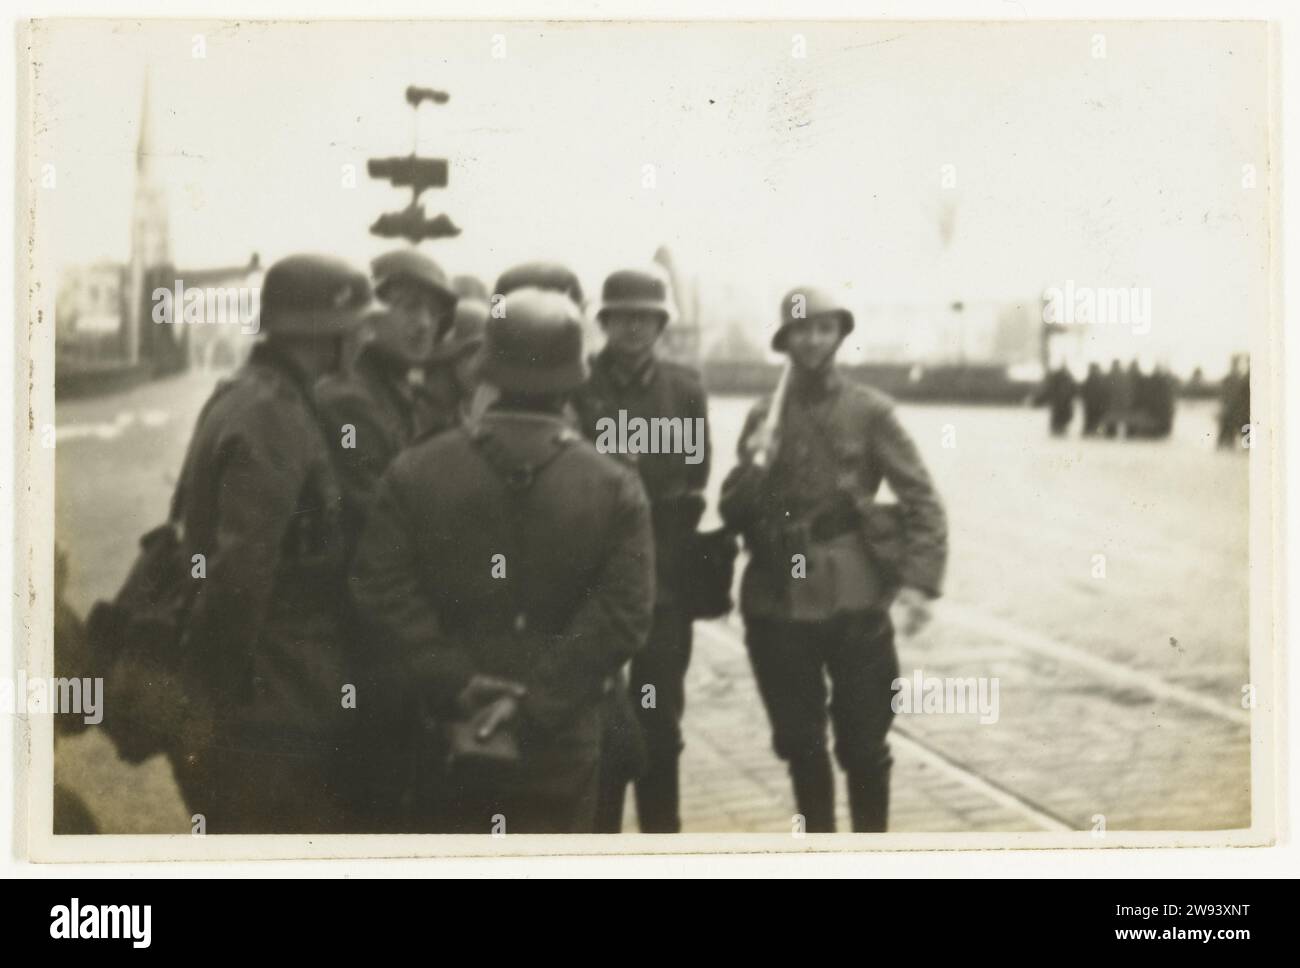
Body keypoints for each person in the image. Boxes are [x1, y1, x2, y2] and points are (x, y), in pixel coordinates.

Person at [350, 288, 655, 833]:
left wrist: (457, 682)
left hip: (449, 729)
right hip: (563, 738)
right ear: (574, 376)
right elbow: (625, 614)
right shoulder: (613, 484)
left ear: (488, 369)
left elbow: (379, 590)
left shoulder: (417, 469)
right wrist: (537, 705)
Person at [719, 286, 948, 833]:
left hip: (854, 593)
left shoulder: (869, 411)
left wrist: (919, 583)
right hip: (779, 594)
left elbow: (921, 499)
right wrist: (757, 464)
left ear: (839, 336)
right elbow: (732, 510)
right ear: (786, 340)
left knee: (865, 743)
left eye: (824, 328)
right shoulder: (763, 414)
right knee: (800, 743)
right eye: (802, 329)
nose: (814, 340)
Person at [170, 253, 372, 833]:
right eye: (354, 324)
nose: (362, 335)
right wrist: (210, 706)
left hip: (271, 701)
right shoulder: (272, 415)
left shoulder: (257, 394)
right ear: (323, 334)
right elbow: (239, 577)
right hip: (272, 713)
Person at [573, 267, 711, 834]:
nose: (633, 327)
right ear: (603, 323)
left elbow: (697, 469)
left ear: (660, 324)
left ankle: (662, 843)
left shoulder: (684, 388)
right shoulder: (579, 387)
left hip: (664, 575)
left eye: (645, 317)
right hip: (592, 573)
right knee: (596, 717)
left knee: (658, 714)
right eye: (621, 316)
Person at [317, 249, 458, 549]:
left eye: (434, 313)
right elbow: (374, 515)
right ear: (369, 315)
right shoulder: (348, 401)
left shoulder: (398, 392)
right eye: (409, 307)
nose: (424, 324)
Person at [1080, 362, 1109, 436]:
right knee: (1093, 418)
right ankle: (1092, 431)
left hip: (1093, 404)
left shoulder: (1090, 379)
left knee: (1092, 418)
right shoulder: (1099, 379)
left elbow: (1083, 391)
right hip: (1094, 404)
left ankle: (1091, 431)